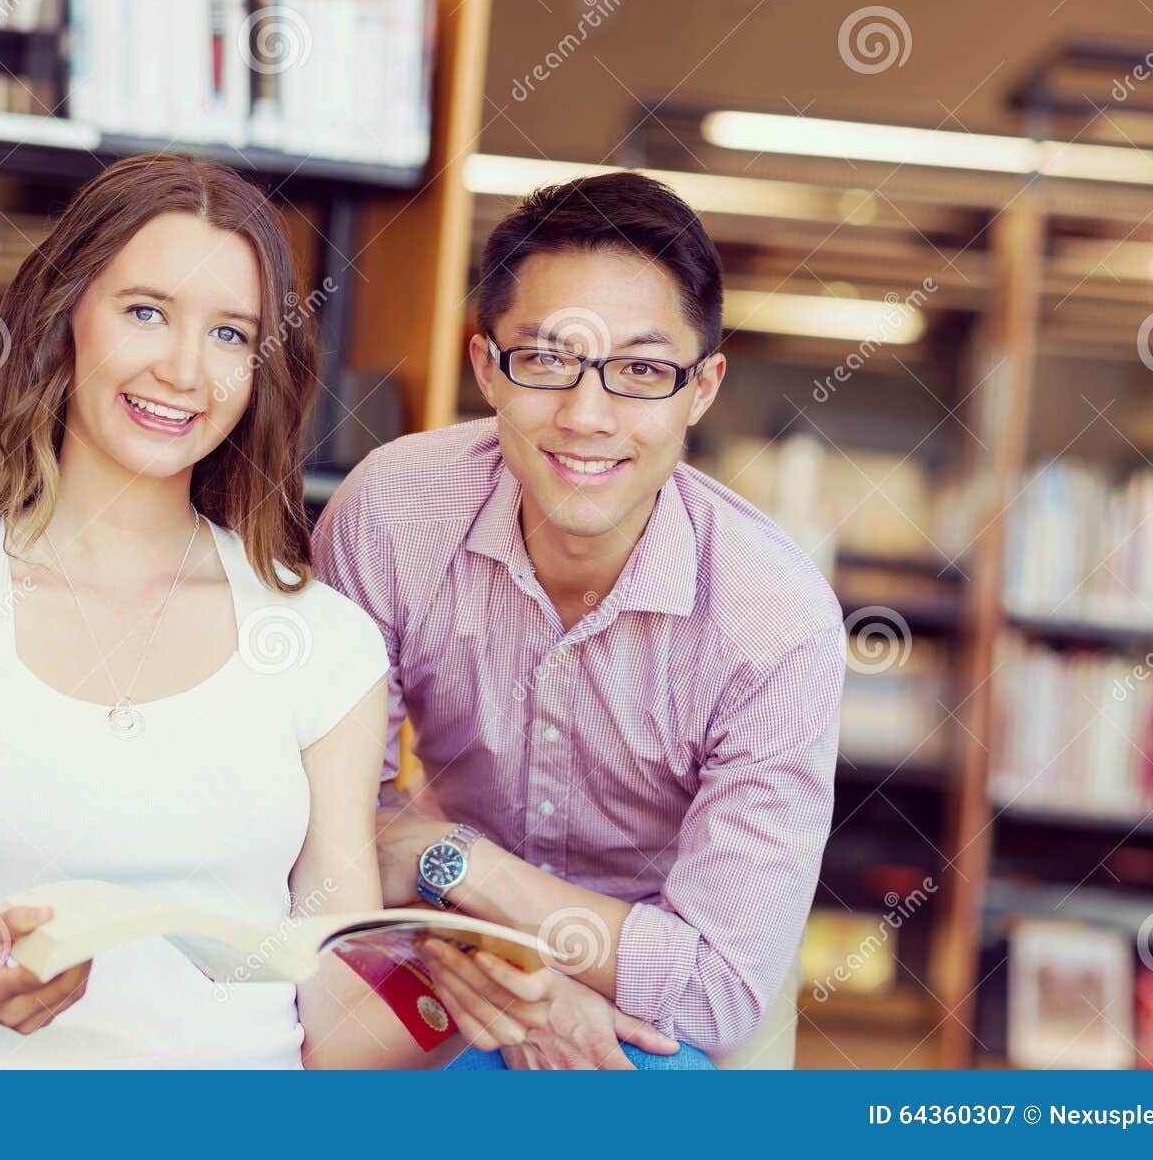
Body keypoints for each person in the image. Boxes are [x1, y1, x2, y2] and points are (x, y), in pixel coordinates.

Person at [0, 153, 550, 1070]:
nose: (184, 369)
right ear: (62, 318)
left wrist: (448, 1001)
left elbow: (333, 1027)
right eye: (146, 312)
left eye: (232, 334)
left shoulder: (323, 645)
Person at [313, 170, 847, 1070]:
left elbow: (716, 987)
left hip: (661, 996)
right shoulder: (392, 513)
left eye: (640, 370)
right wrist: (487, 956)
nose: (586, 417)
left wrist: (457, 862)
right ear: (486, 367)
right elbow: (322, 827)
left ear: (702, 388)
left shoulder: (777, 623)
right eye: (548, 359)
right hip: (435, 944)